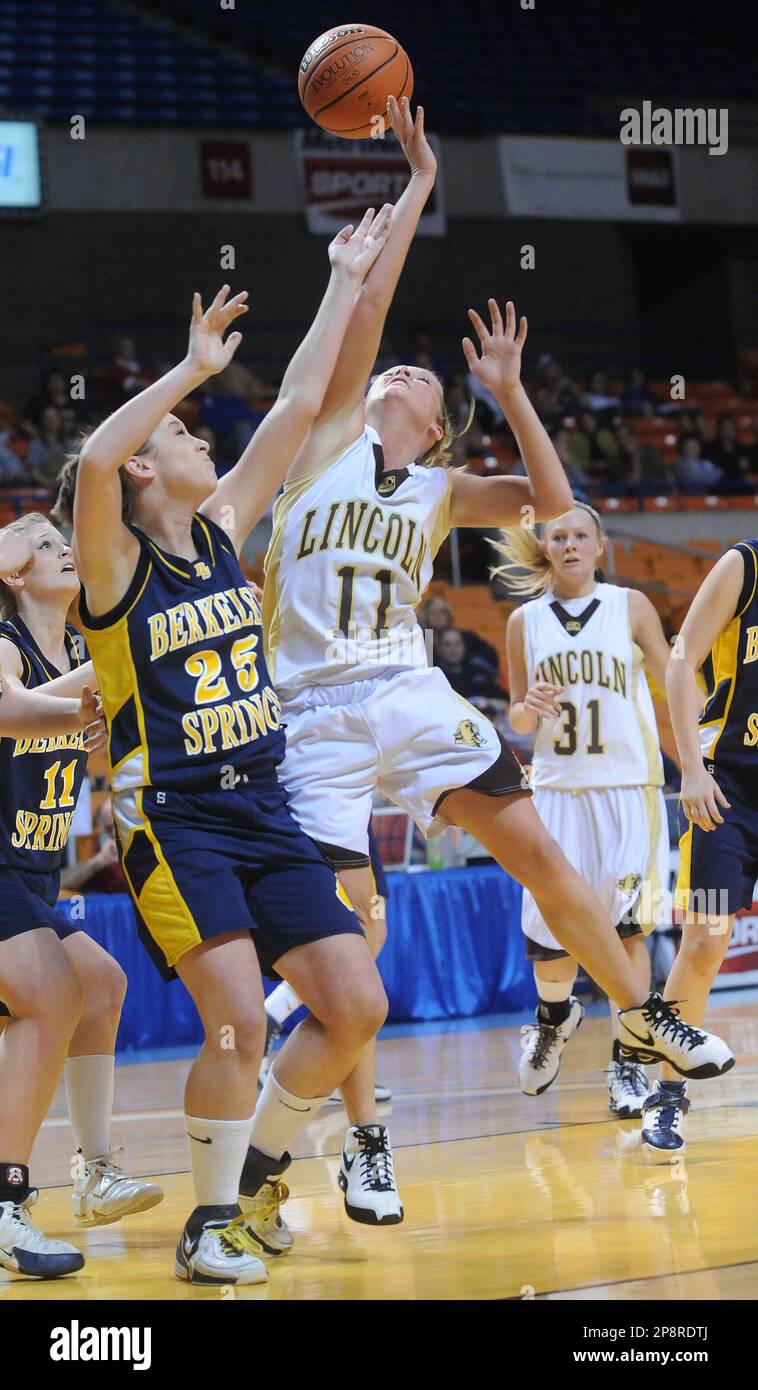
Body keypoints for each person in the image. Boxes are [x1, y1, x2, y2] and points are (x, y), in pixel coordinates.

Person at [261, 95, 734, 1232]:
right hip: (309, 714)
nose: (406, 379)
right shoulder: (319, 441)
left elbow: (559, 513)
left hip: (403, 687)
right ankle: (361, 1140)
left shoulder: (439, 491)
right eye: (401, 376)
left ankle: (641, 1014)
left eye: (425, 386)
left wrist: (511, 395)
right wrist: (417, 182)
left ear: (435, 431)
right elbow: (361, 312)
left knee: (532, 848)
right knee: (351, 950)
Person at [67, 206, 396, 1284]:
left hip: (265, 804)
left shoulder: (219, 533)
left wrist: (345, 278)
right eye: (186, 436)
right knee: (236, 1025)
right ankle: (209, 1221)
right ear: (149, 469)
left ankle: (253, 1167)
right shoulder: (113, 568)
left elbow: (301, 403)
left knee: (355, 1003)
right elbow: (96, 459)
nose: (206, 437)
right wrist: (187, 368)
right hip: (176, 817)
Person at [0, 522, 160, 1278]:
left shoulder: (69, 653)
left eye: (69, 539)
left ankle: (96, 1172)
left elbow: (83, 741)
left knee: (101, 986)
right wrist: (109, 669)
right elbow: (9, 710)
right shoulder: (4, 640)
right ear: (11, 571)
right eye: (40, 541)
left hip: (31, 870)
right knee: (53, 995)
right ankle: (6, 1202)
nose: (64, 546)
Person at [499, 502, 673, 1116]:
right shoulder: (524, 621)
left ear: (600, 546)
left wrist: (702, 756)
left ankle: (629, 1067)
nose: (569, 544)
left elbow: (676, 680)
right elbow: (516, 717)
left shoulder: (632, 607)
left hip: (628, 787)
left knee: (627, 929)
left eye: (580, 535)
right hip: (555, 791)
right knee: (552, 934)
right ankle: (552, 1019)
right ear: (545, 549)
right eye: (558, 536)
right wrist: (530, 707)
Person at [646, 538, 758, 1159]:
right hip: (726, 792)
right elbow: (680, 662)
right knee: (707, 938)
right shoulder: (744, 564)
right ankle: (667, 1097)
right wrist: (691, 767)